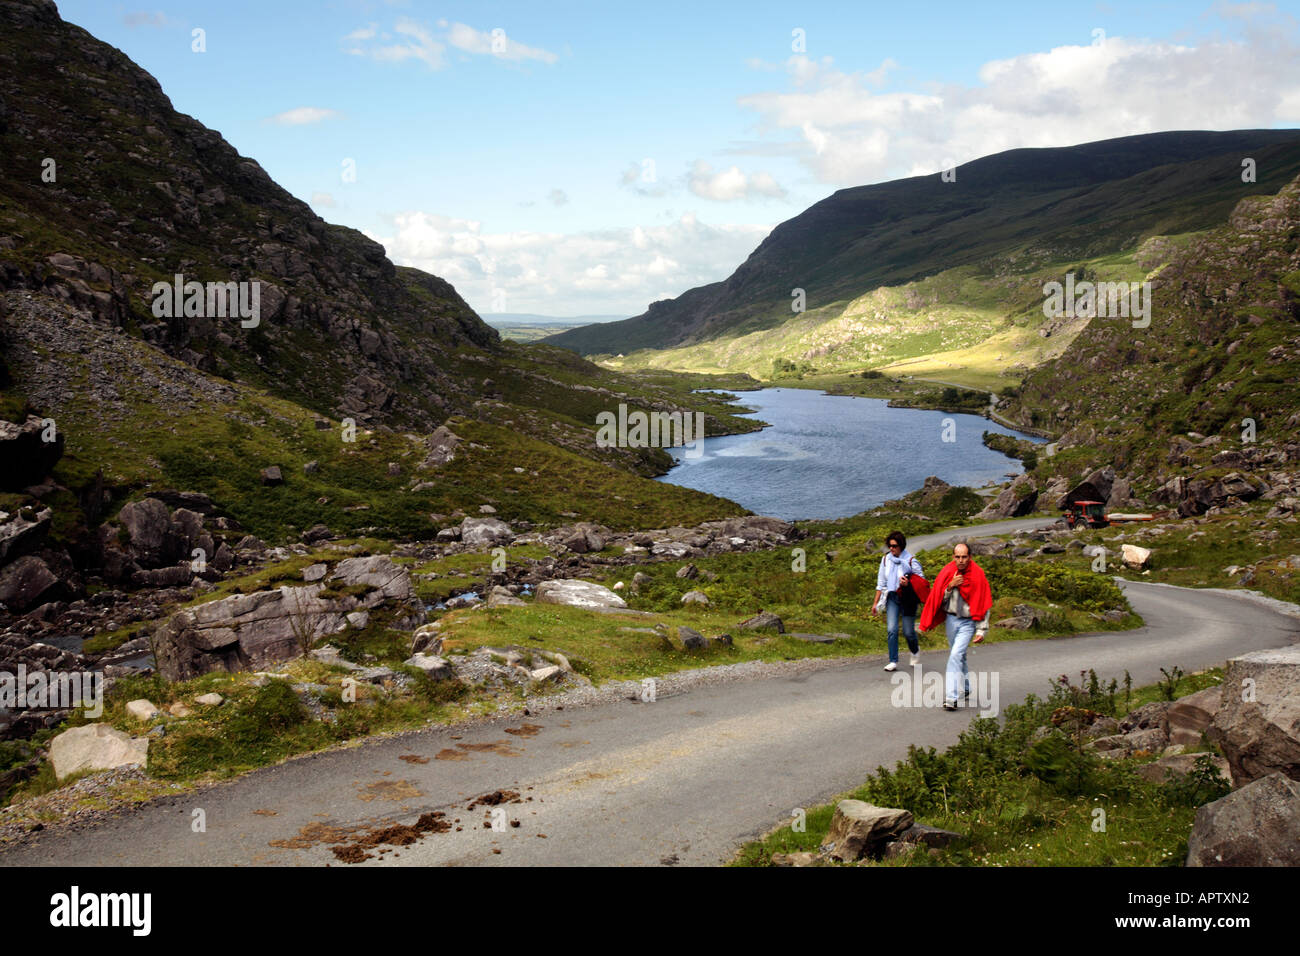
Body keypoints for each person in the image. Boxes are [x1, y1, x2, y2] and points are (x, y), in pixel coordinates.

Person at [918, 541, 993, 710]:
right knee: (959, 656)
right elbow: (938, 598)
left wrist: (981, 630)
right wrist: (950, 586)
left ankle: (951, 698)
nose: (961, 560)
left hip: (968, 622)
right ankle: (966, 688)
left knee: (955, 656)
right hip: (951, 620)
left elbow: (983, 603)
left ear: (970, 557)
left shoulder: (977, 574)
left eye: (964, 557)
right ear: (953, 557)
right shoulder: (948, 572)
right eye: (958, 557)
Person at [870, 531, 923, 671]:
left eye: (894, 546)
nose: (892, 549)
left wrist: (908, 583)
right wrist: (875, 603)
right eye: (890, 546)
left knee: (908, 631)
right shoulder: (885, 560)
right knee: (891, 629)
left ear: (901, 546)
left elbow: (921, 581)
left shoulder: (910, 560)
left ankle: (915, 651)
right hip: (892, 596)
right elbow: (881, 582)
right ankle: (893, 660)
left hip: (908, 598)